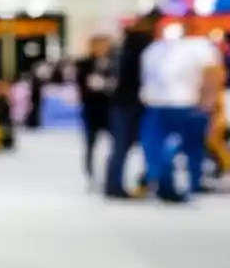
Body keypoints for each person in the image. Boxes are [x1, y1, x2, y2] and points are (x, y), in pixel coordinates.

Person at [139, 25, 222, 202]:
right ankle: (168, 182)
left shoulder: (197, 47)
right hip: (164, 105)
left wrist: (207, 101)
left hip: (183, 105)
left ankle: (190, 183)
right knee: (163, 147)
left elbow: (212, 74)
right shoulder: (156, 49)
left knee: (187, 147)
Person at [104, 12, 158, 199]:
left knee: (120, 147)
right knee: (146, 145)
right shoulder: (148, 47)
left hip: (121, 102)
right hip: (138, 102)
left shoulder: (122, 46)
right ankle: (146, 182)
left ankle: (113, 184)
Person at [76, 34, 114, 187]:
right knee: (91, 143)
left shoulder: (114, 63)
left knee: (115, 143)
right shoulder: (85, 64)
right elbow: (83, 85)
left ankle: (110, 174)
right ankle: (90, 174)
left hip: (109, 109)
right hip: (91, 109)